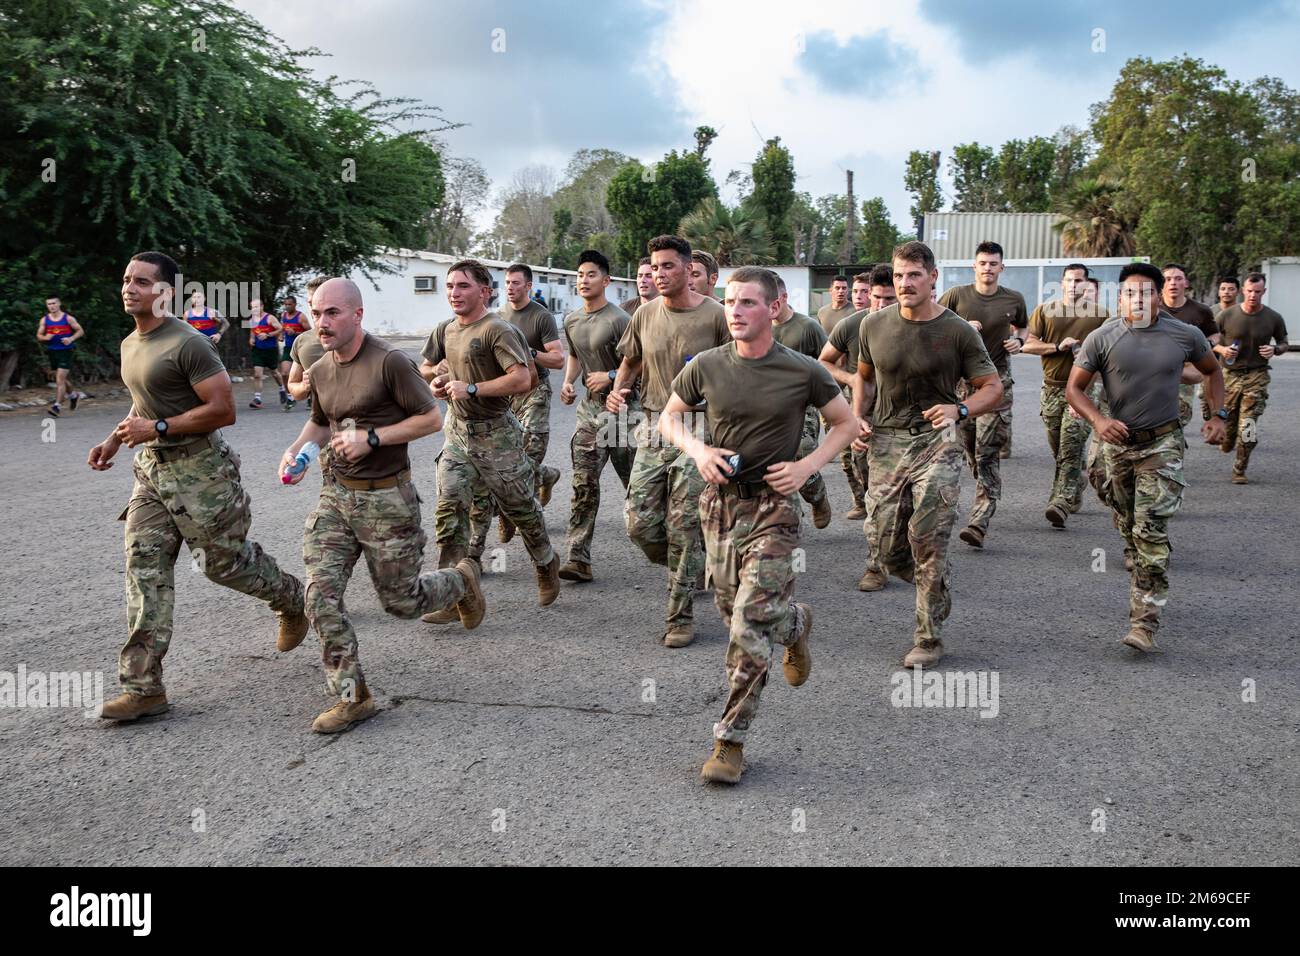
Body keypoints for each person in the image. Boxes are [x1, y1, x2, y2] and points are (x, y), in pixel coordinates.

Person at [88, 251, 306, 721]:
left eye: (141, 282)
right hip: (151, 474)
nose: (129, 288)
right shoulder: (131, 343)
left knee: (221, 565)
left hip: (200, 471)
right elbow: (143, 403)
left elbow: (223, 409)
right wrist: (115, 438)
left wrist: (161, 428)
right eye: (126, 279)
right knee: (143, 567)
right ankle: (143, 687)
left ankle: (291, 597)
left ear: (164, 292)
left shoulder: (190, 343)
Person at [658, 267, 855, 784]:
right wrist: (698, 450)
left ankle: (729, 741)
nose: (735, 311)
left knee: (747, 625)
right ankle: (794, 624)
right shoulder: (706, 365)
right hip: (719, 507)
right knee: (736, 615)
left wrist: (807, 466)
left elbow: (847, 423)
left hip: (774, 509)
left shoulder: (802, 370)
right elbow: (669, 417)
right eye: (730, 302)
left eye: (747, 302)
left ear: (772, 309)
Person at [281, 278, 485, 733]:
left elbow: (431, 418)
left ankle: (461, 579)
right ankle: (354, 697)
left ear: (357, 315)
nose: (322, 322)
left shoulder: (390, 361)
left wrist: (372, 437)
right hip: (335, 496)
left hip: (387, 498)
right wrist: (297, 451)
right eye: (316, 313)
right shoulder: (319, 364)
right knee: (320, 596)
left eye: (332, 313)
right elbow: (319, 422)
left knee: (403, 603)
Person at [852, 242, 1002, 668]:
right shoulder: (872, 325)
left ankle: (929, 637)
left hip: (939, 439)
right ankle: (930, 579)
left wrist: (961, 408)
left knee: (928, 538)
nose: (905, 283)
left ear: (932, 277)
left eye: (914, 274)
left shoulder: (958, 331)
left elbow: (992, 388)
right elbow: (863, 377)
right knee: (883, 544)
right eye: (899, 276)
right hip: (885, 441)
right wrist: (855, 418)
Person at [1066, 262, 1226, 652]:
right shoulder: (1102, 337)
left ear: (1159, 295)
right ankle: (1134, 545)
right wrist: (1099, 421)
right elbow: (1075, 389)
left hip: (1163, 443)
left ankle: (1144, 623)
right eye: (1131, 293)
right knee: (1125, 518)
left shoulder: (1184, 334)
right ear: (1119, 297)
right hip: (1115, 444)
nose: (1139, 299)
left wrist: (1218, 416)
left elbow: (1213, 371)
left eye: (1147, 292)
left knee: (1151, 530)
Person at [607, 234, 730, 648]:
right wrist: (618, 389)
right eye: (654, 267)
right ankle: (691, 564)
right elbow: (631, 360)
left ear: (686, 269)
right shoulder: (644, 314)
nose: (659, 274)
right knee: (640, 523)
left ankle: (680, 616)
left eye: (668, 267)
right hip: (653, 425)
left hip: (701, 428)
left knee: (683, 525)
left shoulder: (716, 316)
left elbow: (740, 370)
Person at [420, 259, 561, 606]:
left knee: (520, 508)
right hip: (457, 435)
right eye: (450, 286)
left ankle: (545, 562)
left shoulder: (497, 330)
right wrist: (436, 380)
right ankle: (455, 596)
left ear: (484, 291)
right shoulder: (445, 329)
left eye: (463, 285)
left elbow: (522, 378)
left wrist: (471, 389)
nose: (454, 292)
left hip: (497, 435)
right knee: (449, 508)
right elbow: (425, 366)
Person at [938, 240, 1028, 549]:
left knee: (987, 454)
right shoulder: (956, 297)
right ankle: (980, 484)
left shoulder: (1013, 299)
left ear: (1002, 267)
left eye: (993, 263)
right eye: (983, 263)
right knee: (969, 452)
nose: (988, 268)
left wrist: (1019, 341)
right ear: (974, 266)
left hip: (996, 382)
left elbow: (1023, 329)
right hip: (961, 386)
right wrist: (961, 325)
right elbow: (934, 327)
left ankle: (979, 521)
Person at [557, 250, 636, 581]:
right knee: (583, 483)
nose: (583, 281)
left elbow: (640, 366)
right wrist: (567, 382)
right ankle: (578, 558)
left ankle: (690, 556)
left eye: (590, 275)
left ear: (606, 281)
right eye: (579, 275)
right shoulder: (572, 320)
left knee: (639, 490)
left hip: (622, 416)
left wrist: (610, 374)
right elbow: (575, 355)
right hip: (590, 411)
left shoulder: (621, 320)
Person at [822, 265, 897, 589]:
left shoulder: (919, 324)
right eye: (876, 298)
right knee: (877, 497)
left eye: (888, 299)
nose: (880, 305)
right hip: (866, 417)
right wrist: (851, 378)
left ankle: (900, 550)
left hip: (911, 424)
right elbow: (824, 361)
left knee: (906, 501)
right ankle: (877, 565)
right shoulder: (852, 324)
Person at [1022, 264, 1110, 527]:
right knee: (1058, 448)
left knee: (1070, 446)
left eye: (1080, 281)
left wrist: (1082, 393)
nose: (1074, 285)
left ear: (1087, 284)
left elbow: (1107, 358)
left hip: (1083, 390)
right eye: (1070, 280)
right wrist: (1057, 347)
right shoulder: (1045, 311)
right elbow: (1029, 345)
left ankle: (1059, 502)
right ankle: (1076, 481)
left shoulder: (1101, 316)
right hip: (1051, 388)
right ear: (1061, 283)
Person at [488, 264, 566, 544]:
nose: (510, 287)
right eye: (507, 282)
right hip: (507, 391)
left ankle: (512, 516)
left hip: (535, 390)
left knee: (528, 455)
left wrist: (530, 351)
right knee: (506, 458)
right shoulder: (498, 316)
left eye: (516, 283)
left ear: (528, 286)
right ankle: (546, 475)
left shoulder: (541, 316)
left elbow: (557, 359)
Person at [769, 273, 833, 529]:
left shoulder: (808, 327)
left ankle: (817, 496)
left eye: (772, 299)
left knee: (801, 452)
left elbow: (829, 364)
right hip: (766, 408)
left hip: (802, 407)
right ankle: (783, 515)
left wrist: (829, 406)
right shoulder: (757, 326)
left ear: (783, 298)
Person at [1214, 272, 1289, 483]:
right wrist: (1222, 348)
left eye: (1257, 292)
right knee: (1228, 428)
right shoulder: (1227, 316)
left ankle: (1240, 469)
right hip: (1229, 376)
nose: (1253, 295)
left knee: (1248, 425)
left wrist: (1275, 349)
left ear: (1263, 292)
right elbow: (1207, 340)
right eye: (1249, 291)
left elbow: (1284, 342)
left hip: (1257, 375)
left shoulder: (1273, 317)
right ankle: (1228, 442)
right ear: (1242, 291)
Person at [1160, 264, 1220, 426]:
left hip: (1185, 371)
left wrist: (1207, 344)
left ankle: (1171, 437)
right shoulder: (1152, 308)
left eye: (1178, 279)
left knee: (1180, 415)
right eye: (1168, 279)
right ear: (1161, 283)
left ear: (1185, 283)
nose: (1173, 283)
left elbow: (1215, 334)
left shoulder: (1201, 310)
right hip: (1153, 371)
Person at [285, 276, 331, 411]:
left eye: (321, 302)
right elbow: (293, 386)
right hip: (320, 423)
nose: (314, 308)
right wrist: (305, 386)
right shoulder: (302, 341)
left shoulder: (362, 342)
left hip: (359, 426)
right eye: (311, 303)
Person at [36, 296, 84, 415]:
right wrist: (45, 338)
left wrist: (71, 338)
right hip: (52, 351)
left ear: (59, 304)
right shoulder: (45, 320)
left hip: (66, 351)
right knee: (60, 378)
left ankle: (57, 406)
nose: (51, 306)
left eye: (53, 303)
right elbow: (39, 335)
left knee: (59, 380)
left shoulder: (68, 318)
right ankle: (73, 395)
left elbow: (80, 331)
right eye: (49, 304)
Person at [276, 295, 312, 411]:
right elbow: (283, 328)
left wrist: (295, 333)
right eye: (285, 304)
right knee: (285, 373)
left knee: (305, 374)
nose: (287, 307)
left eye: (289, 304)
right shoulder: (284, 315)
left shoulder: (300, 317)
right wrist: (281, 335)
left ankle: (310, 398)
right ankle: (291, 398)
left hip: (302, 348)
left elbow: (310, 332)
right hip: (288, 348)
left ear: (295, 305)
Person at [246, 299, 283, 409]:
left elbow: (280, 328)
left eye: (256, 307)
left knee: (275, 373)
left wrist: (267, 334)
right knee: (257, 374)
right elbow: (253, 331)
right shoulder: (252, 320)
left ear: (262, 306)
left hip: (270, 349)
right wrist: (251, 339)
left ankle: (282, 389)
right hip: (258, 350)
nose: (254, 309)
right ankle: (257, 399)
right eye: (252, 307)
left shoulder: (270, 318)